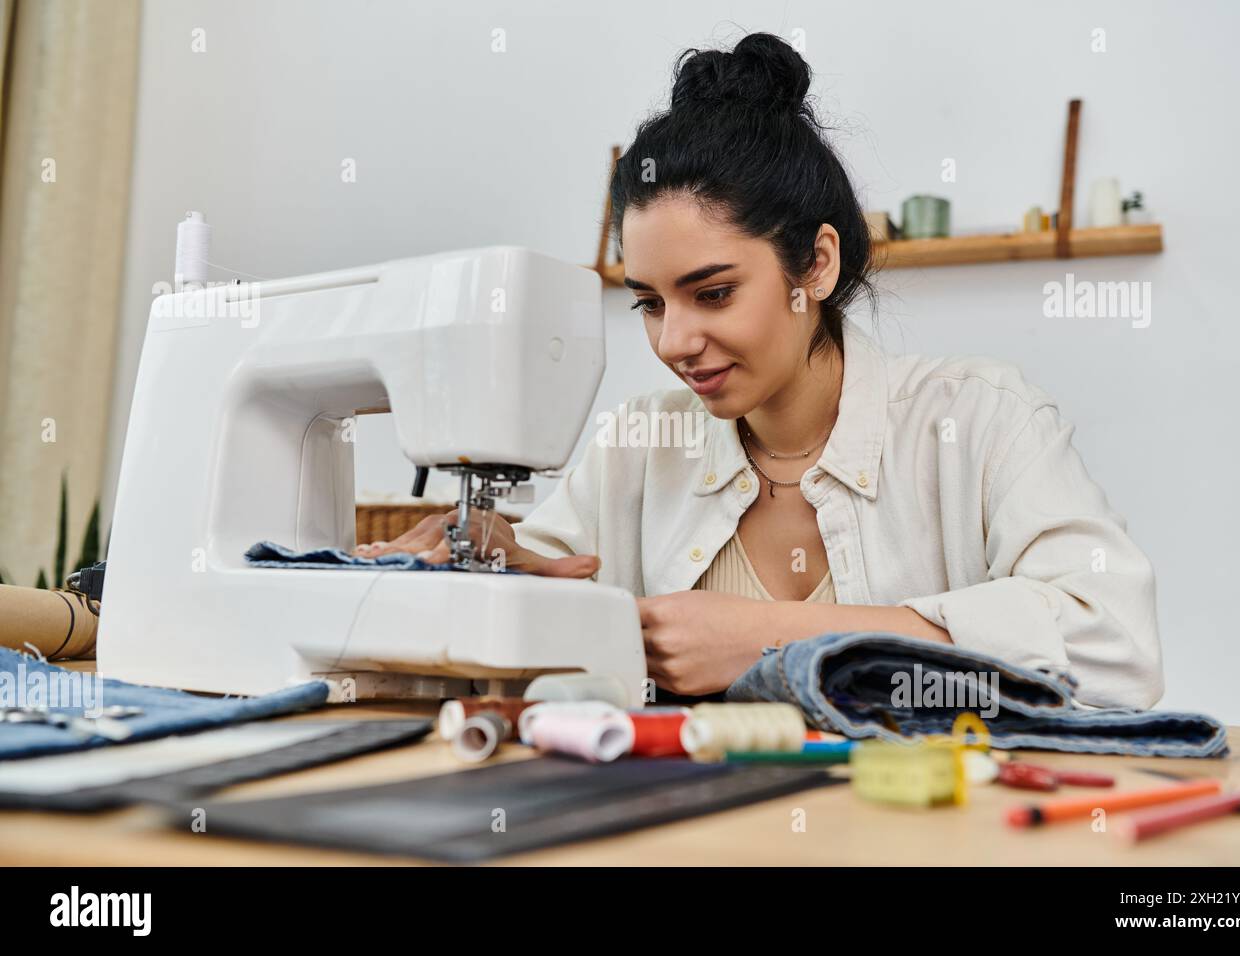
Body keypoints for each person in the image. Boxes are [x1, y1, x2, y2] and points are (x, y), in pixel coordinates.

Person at [358, 32, 1162, 710]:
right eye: (648, 302)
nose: (675, 341)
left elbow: (1116, 651)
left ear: (813, 264)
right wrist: (505, 567)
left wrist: (774, 639)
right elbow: (537, 630)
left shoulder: (980, 422)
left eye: (712, 293)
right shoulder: (642, 444)